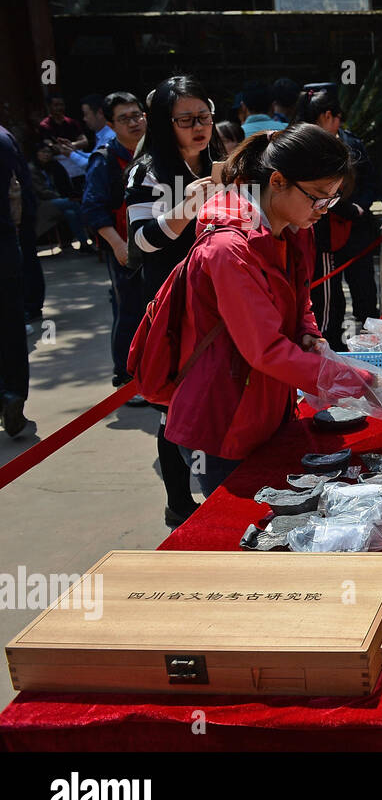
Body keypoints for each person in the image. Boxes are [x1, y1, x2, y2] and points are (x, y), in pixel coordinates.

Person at [165, 124, 374, 495]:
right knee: (241, 534)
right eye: (319, 198)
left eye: (332, 200)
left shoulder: (294, 228)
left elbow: (300, 301)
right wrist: (355, 381)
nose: (324, 211)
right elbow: (266, 350)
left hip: (268, 407)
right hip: (223, 417)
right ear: (277, 181)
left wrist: (308, 332)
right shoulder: (228, 250)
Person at [125, 74, 226, 528]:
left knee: (219, 392)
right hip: (170, 305)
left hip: (221, 299)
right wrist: (185, 209)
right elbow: (138, 244)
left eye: (204, 115)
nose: (198, 126)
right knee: (174, 406)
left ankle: (227, 488)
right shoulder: (147, 170)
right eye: (185, 119)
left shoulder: (222, 161)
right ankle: (179, 501)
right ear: (165, 125)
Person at [296, 83, 381, 348]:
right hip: (323, 229)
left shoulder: (351, 141)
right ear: (326, 116)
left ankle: (371, 340)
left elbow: (369, 180)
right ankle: (329, 341)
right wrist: (342, 206)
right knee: (328, 294)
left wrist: (361, 207)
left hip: (356, 230)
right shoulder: (304, 145)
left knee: (364, 289)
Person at [81, 91, 149, 394]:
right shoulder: (104, 159)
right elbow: (93, 209)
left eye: (137, 115)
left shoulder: (155, 153)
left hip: (157, 245)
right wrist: (119, 246)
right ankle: (125, 378)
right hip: (125, 249)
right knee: (130, 310)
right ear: (111, 124)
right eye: (124, 119)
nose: (134, 122)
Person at [0, 124, 36, 437]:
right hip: (5, 248)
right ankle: (13, 395)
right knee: (10, 326)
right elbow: (22, 189)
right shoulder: (5, 138)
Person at [30, 141, 89, 252]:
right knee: (73, 204)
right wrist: (61, 198)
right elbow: (42, 192)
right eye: (43, 152)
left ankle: (84, 243)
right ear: (36, 153)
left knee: (70, 213)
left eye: (48, 152)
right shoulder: (32, 169)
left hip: (56, 202)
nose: (46, 154)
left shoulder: (53, 166)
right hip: (41, 204)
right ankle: (92, 228)